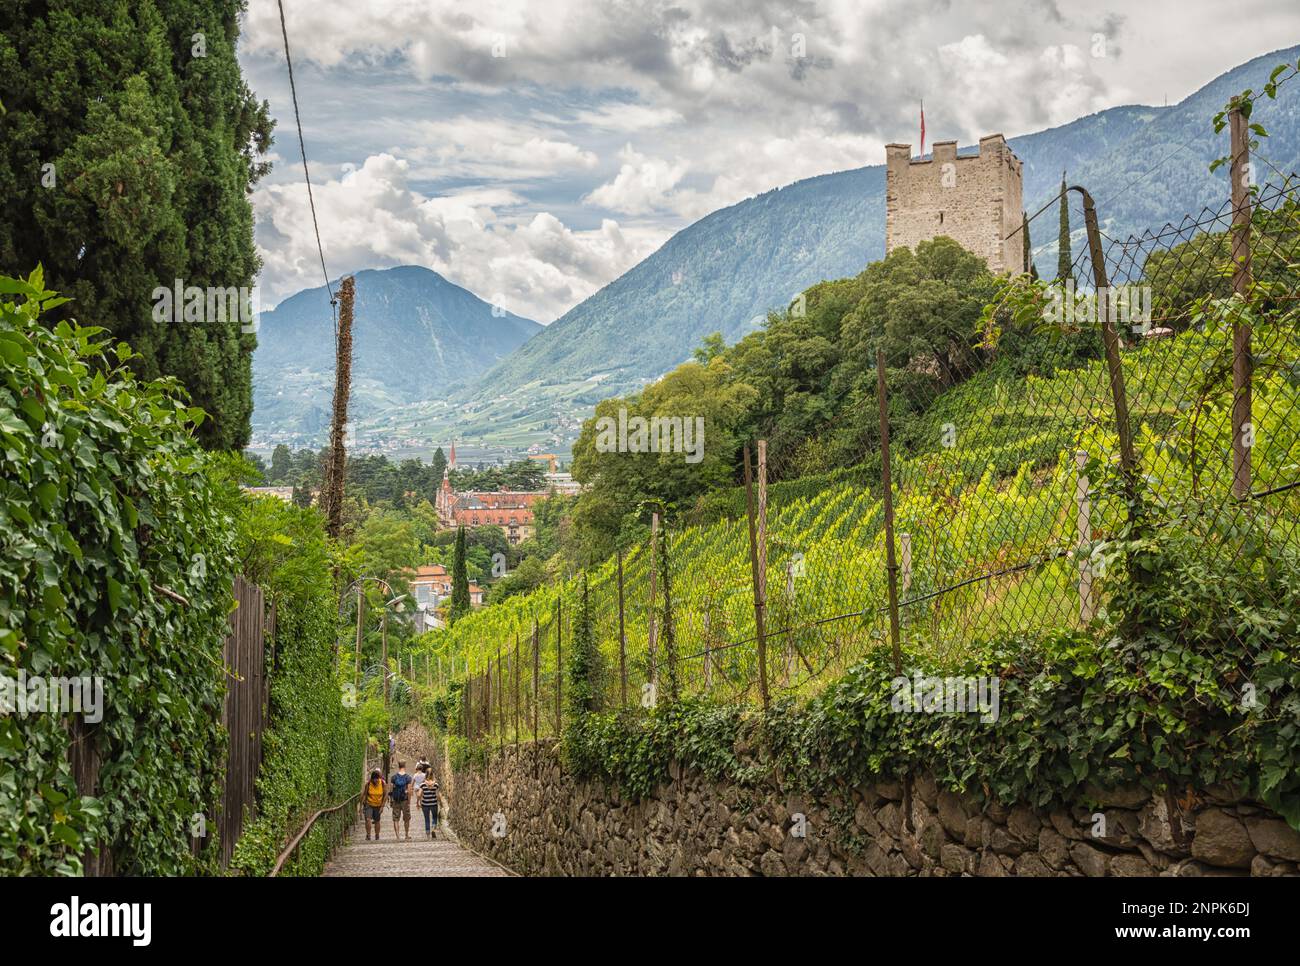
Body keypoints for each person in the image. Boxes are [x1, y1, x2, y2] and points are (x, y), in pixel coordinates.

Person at [389, 760, 413, 840]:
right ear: (405, 766)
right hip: (405, 800)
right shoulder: (408, 777)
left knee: (396, 818)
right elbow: (409, 790)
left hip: (396, 800)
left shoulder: (394, 777)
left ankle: (398, 836)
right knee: (406, 818)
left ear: (398, 766)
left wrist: (391, 800)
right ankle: (406, 835)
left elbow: (391, 790)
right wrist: (409, 801)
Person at [362, 769, 386, 841]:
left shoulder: (382, 783)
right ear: (372, 778)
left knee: (377, 821)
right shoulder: (368, 784)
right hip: (369, 804)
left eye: (377, 779)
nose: (375, 780)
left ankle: (377, 835)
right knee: (368, 819)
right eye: (374, 779)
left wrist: (382, 806)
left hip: (378, 805)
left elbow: (385, 795)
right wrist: (362, 805)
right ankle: (368, 835)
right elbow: (365, 794)